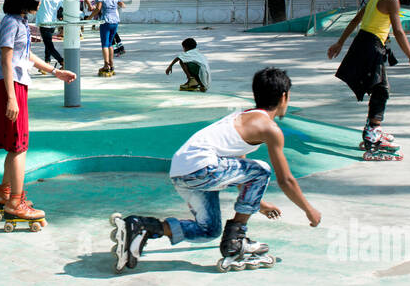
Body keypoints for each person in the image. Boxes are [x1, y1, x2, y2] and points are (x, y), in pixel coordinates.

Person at [109, 67, 322, 273]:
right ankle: (236, 240)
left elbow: (239, 170)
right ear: (284, 97)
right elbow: (286, 180)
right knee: (262, 169)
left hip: (182, 171)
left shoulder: (242, 117)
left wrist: (259, 203)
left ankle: (142, 227)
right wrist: (309, 210)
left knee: (208, 230)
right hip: (201, 169)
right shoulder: (269, 128)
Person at [0, 0, 76, 227]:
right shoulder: (11, 23)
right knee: (19, 146)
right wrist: (11, 98)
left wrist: (55, 72)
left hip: (16, 87)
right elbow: (7, 61)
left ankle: (4, 193)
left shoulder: (20, 21)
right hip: (9, 88)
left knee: (15, 144)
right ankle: (15, 203)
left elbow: (27, 55)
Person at [327, 0, 410, 161]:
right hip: (370, 46)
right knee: (381, 90)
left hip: (363, 43)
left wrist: (340, 42)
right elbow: (398, 31)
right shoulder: (391, 0)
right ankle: (373, 132)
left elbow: (356, 19)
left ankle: (372, 129)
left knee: (379, 88)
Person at [90, 0, 124, 77]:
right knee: (110, 44)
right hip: (115, 21)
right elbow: (122, 4)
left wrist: (89, 17)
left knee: (104, 44)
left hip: (106, 21)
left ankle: (106, 65)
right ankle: (111, 64)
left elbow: (98, 9)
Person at [33, 0, 64, 72]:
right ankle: (47, 63)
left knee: (49, 46)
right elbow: (63, 9)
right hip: (52, 23)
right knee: (48, 43)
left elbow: (37, 4)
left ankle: (62, 61)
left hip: (44, 22)